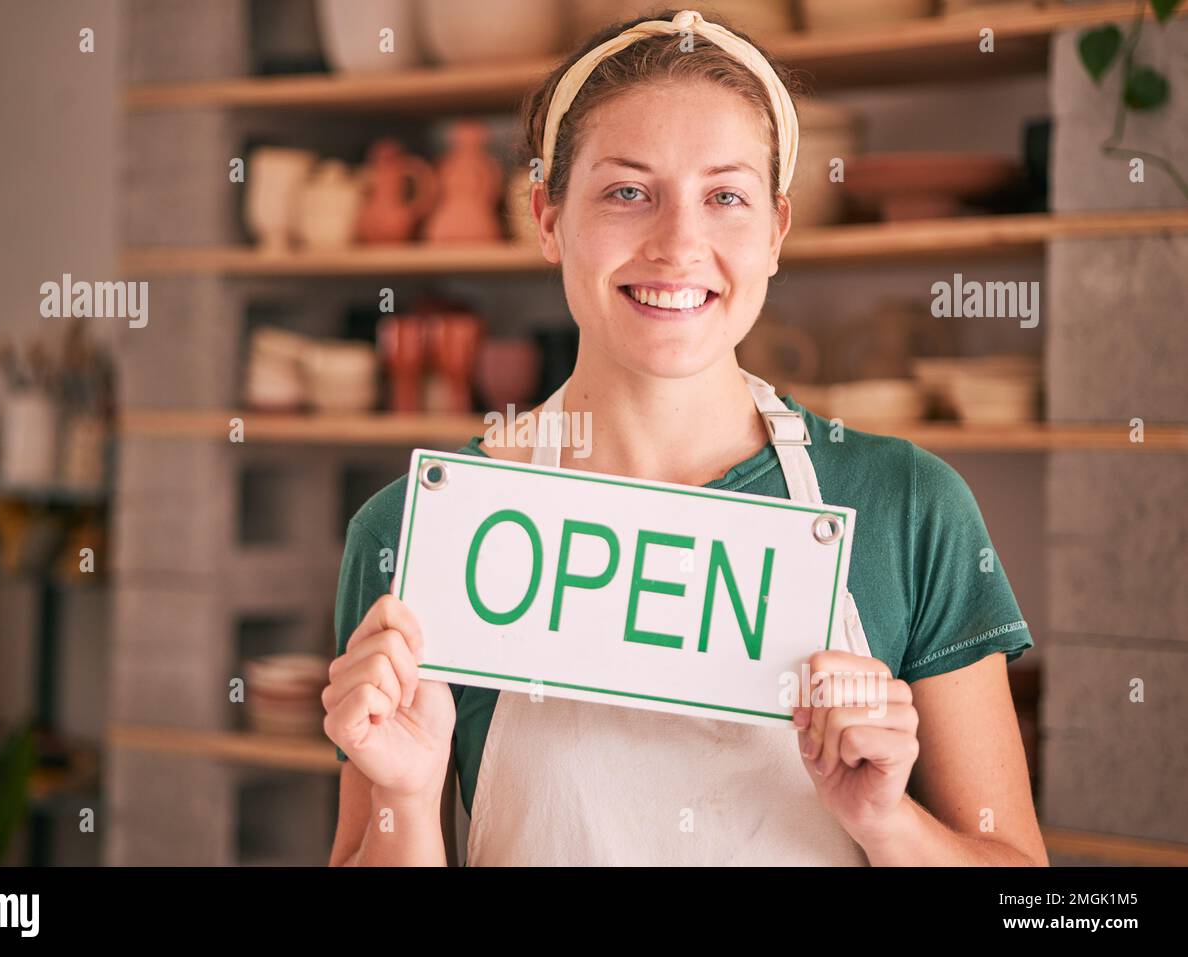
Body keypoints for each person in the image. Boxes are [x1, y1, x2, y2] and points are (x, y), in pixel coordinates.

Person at [324, 8, 1046, 866]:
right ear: (546, 218)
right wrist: (406, 795)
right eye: (628, 191)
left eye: (725, 196)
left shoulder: (912, 506)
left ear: (776, 231)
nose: (679, 245)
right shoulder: (414, 533)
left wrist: (888, 821)